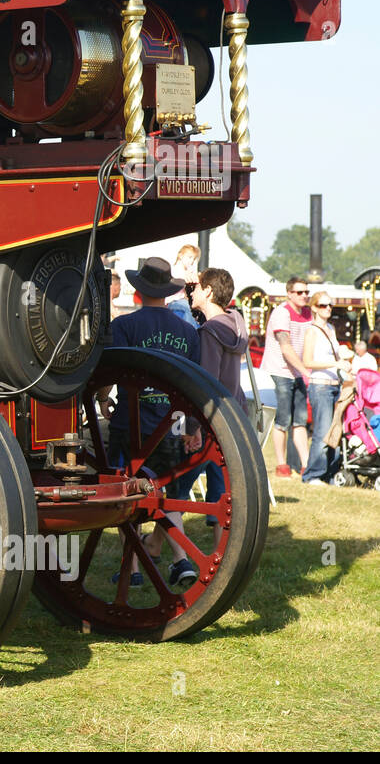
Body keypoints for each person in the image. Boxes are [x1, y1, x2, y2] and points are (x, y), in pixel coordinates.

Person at [101, 256, 202, 588]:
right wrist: (191, 428)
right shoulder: (187, 332)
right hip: (170, 427)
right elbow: (194, 387)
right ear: (167, 290)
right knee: (166, 494)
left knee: (124, 495)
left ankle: (131, 570)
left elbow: (108, 372)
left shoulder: (125, 326)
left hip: (131, 426)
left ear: (138, 291)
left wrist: (102, 397)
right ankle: (181, 560)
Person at [188, 268, 249, 520]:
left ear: (209, 291)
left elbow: (206, 381)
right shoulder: (236, 322)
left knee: (177, 486)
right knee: (220, 491)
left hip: (212, 417)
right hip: (235, 412)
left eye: (197, 287)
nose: (193, 291)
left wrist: (193, 425)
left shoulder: (210, 331)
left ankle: (157, 545)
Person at [260, 277, 313, 478]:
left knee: (300, 421)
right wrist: (307, 371)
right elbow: (286, 348)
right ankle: (282, 465)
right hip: (280, 371)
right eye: (299, 292)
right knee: (283, 420)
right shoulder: (282, 313)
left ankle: (305, 464)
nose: (304, 295)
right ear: (289, 293)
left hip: (297, 372)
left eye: (306, 292)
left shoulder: (308, 314)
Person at [301, 292, 349, 486]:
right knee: (321, 432)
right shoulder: (312, 331)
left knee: (334, 431)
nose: (328, 308)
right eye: (323, 305)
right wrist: (335, 363)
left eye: (330, 305)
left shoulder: (330, 328)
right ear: (314, 308)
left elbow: (336, 357)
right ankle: (313, 474)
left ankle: (329, 472)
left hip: (334, 385)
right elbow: (307, 361)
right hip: (320, 385)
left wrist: (344, 359)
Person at [167, 244, 201, 326]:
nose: (192, 261)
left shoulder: (188, 270)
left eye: (194, 258)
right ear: (181, 256)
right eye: (189, 257)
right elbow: (182, 279)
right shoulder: (176, 269)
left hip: (180, 301)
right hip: (173, 301)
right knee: (187, 307)